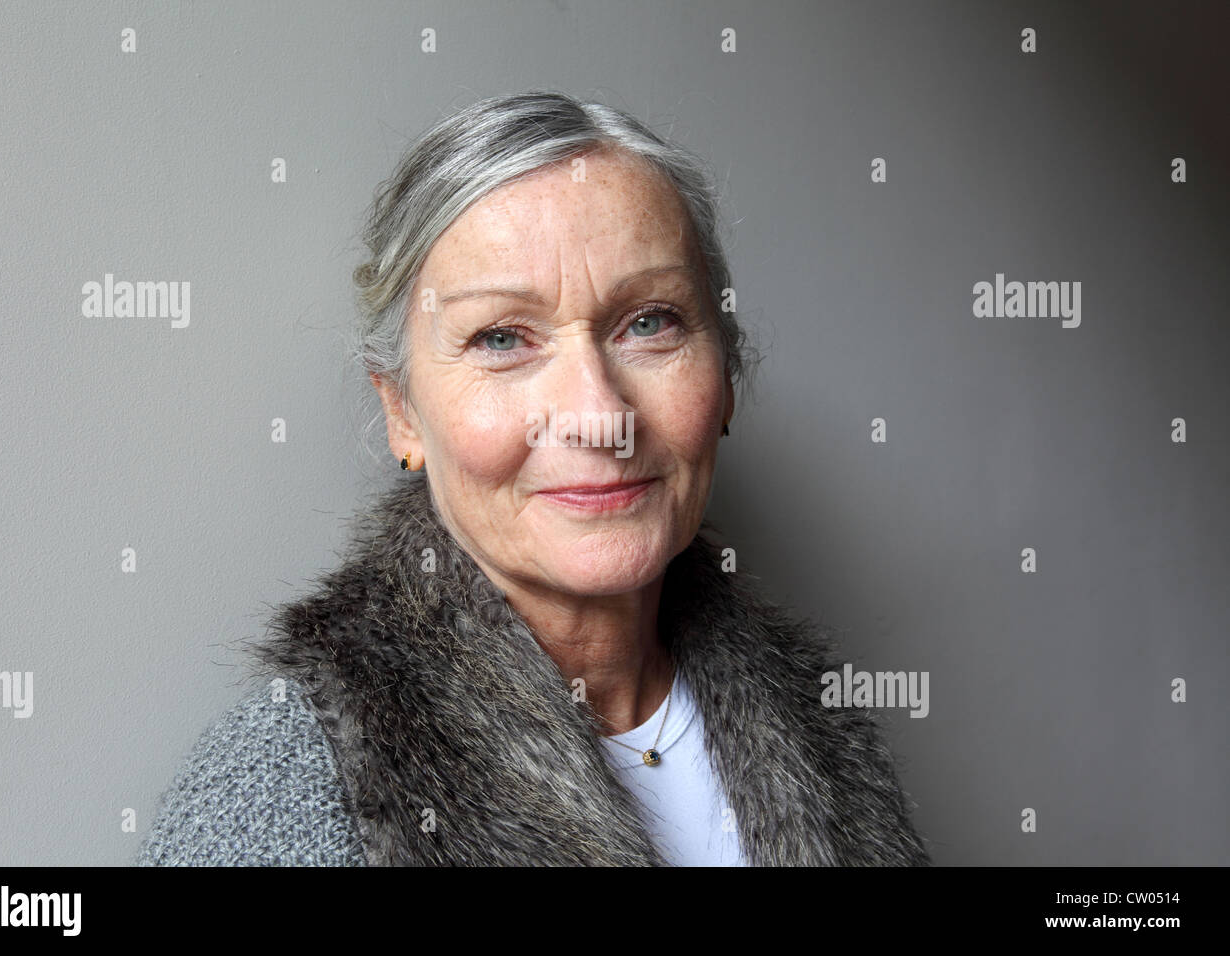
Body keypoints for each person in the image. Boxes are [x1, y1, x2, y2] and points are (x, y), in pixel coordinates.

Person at [136, 90, 929, 866]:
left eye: (649, 322)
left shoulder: (821, 716)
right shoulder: (293, 780)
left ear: (724, 374)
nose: (598, 416)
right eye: (502, 338)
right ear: (403, 413)